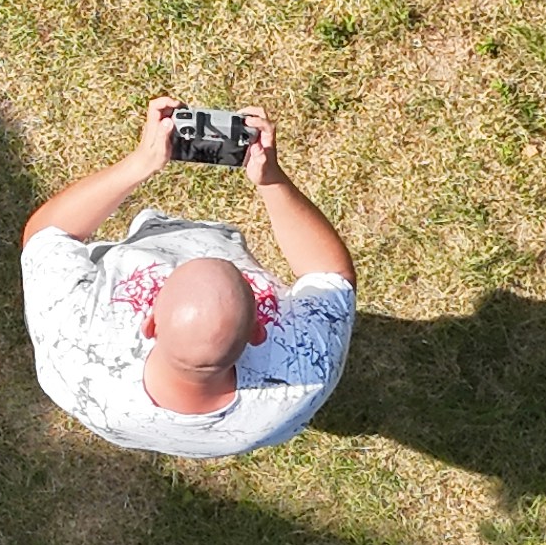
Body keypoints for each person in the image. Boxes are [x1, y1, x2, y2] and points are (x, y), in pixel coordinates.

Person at [18, 94, 358, 458]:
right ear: (259, 331)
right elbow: (331, 275)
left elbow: (45, 235)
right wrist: (270, 180)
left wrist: (140, 163)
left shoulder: (72, 353)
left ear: (149, 322)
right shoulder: (307, 368)